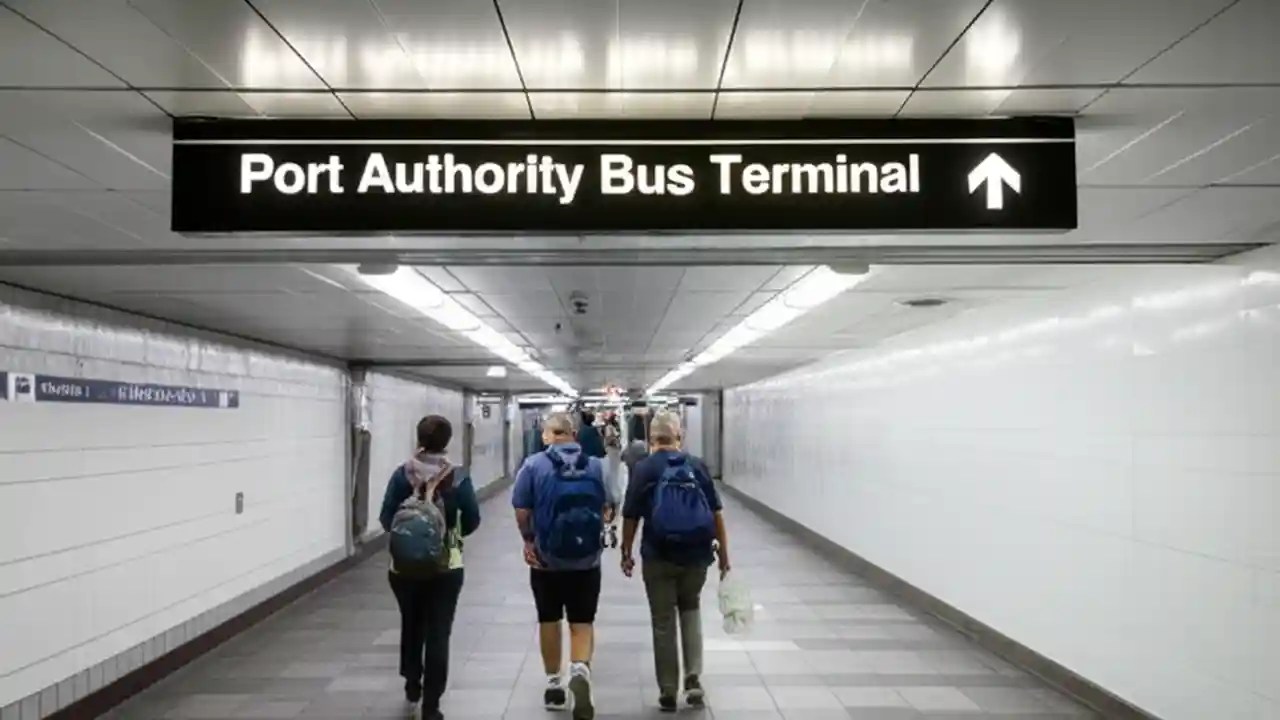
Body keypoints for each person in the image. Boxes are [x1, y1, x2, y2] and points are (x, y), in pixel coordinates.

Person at [620, 412, 729, 713]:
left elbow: (630, 515)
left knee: (663, 620)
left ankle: (668, 690)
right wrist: (724, 558)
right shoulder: (697, 465)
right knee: (691, 609)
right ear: (679, 436)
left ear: (653, 438)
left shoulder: (644, 468)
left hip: (658, 555)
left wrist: (626, 551)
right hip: (696, 556)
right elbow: (716, 513)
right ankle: (693, 679)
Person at [513, 413, 616, 719]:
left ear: (547, 436)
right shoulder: (596, 465)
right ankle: (580, 669)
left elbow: (521, 509)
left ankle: (555, 684)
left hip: (546, 560)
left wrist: (529, 541)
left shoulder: (533, 465)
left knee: (549, 618)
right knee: (582, 621)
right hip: (587, 560)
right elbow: (609, 506)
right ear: (573, 434)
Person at [378, 415, 480, 720]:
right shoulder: (458, 477)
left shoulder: (402, 474)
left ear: (418, 438)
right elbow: (473, 520)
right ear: (447, 441)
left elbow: (386, 519)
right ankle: (432, 704)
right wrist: (448, 534)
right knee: (439, 632)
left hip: (403, 569)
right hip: (446, 567)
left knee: (412, 623)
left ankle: (412, 682)